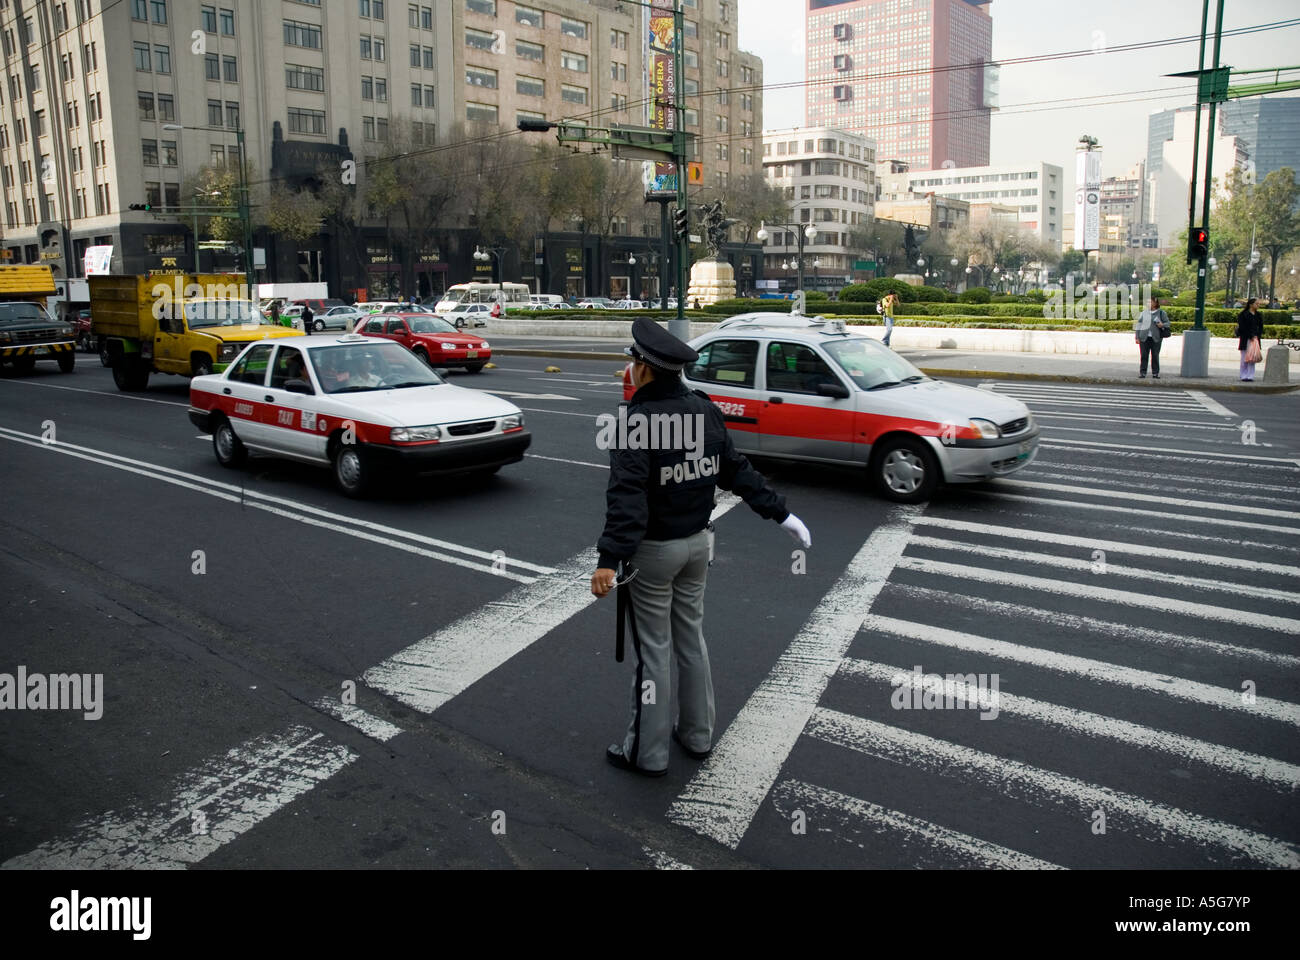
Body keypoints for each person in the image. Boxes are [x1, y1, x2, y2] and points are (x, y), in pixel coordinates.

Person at [591, 318, 812, 777]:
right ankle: (697, 734)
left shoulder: (635, 421)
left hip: (654, 553)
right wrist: (782, 514)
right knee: (690, 640)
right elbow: (735, 468)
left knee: (654, 650)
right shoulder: (703, 409)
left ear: (645, 369)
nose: (629, 370)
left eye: (632, 362)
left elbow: (628, 497)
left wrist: (609, 559)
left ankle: (646, 754)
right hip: (698, 546)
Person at [1133, 295, 1171, 379]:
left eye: (1150, 302)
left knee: (1155, 355)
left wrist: (1162, 324)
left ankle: (1155, 373)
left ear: (1155, 303)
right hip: (1144, 338)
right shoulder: (1144, 313)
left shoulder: (1161, 313)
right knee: (1144, 355)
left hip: (1156, 338)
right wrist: (1137, 337)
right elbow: (1138, 325)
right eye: (1147, 302)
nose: (1148, 304)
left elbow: (1168, 323)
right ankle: (1143, 372)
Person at [1235, 297, 1264, 381]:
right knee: (1244, 357)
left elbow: (1261, 326)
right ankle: (1243, 375)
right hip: (1245, 338)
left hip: (1255, 339)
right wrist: (1250, 335)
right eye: (1256, 304)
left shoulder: (1258, 315)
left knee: (1253, 357)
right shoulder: (1243, 314)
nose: (1258, 305)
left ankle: (1250, 375)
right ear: (1251, 304)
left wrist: (1257, 335)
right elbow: (1242, 327)